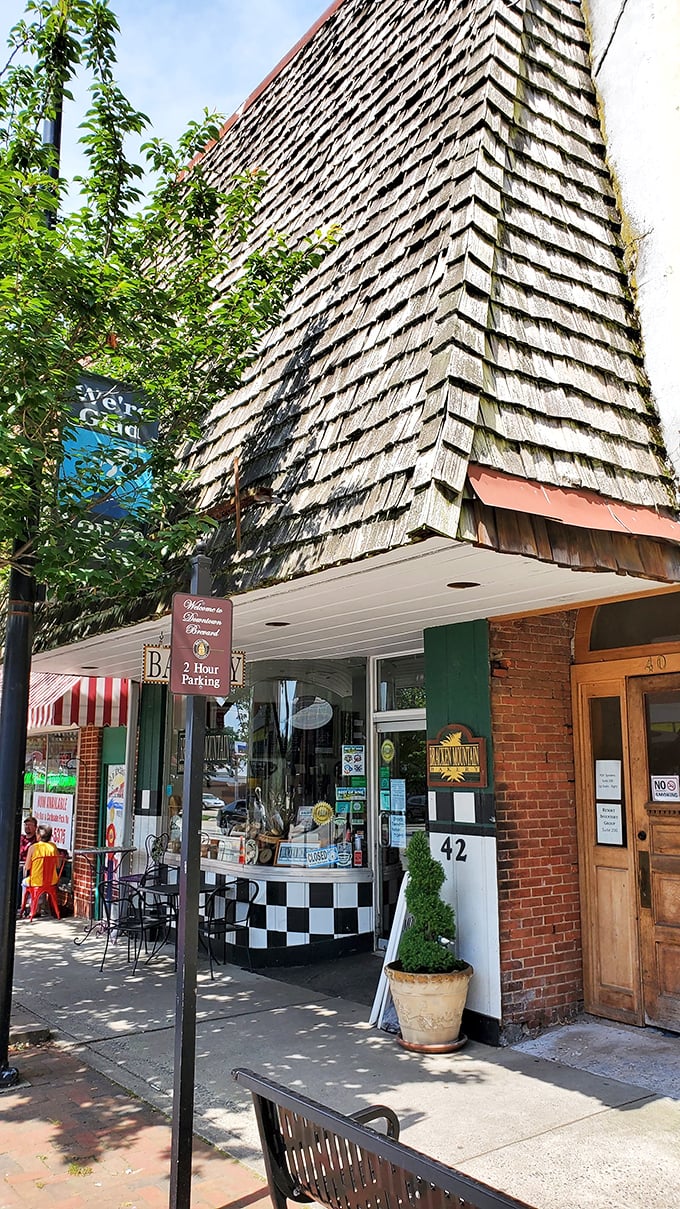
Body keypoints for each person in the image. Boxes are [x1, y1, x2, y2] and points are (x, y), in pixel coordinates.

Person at [21, 824, 63, 918]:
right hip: (52, 880)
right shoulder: (53, 847)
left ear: (39, 835)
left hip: (36, 881)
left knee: (24, 882)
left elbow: (27, 867)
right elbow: (58, 864)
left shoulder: (33, 847)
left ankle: (25, 908)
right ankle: (38, 907)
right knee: (44, 883)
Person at [17, 815, 38, 913]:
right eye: (25, 825)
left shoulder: (36, 841)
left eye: (30, 825)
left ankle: (18, 905)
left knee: (20, 875)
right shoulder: (21, 839)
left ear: (35, 827)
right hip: (19, 863)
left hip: (30, 867)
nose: (27, 827)